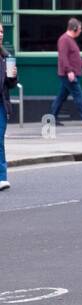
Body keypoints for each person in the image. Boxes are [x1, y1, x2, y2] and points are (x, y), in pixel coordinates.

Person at [50, 17, 82, 126]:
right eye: (79, 29)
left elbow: (76, 58)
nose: (81, 31)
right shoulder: (64, 40)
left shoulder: (70, 40)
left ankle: (51, 118)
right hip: (68, 75)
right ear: (74, 29)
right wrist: (69, 71)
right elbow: (63, 57)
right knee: (78, 95)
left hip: (70, 73)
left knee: (61, 96)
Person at [0, 22, 16, 191]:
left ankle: (2, 177)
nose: (0, 34)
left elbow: (10, 85)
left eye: (2, 31)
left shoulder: (6, 56)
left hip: (1, 105)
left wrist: (13, 76)